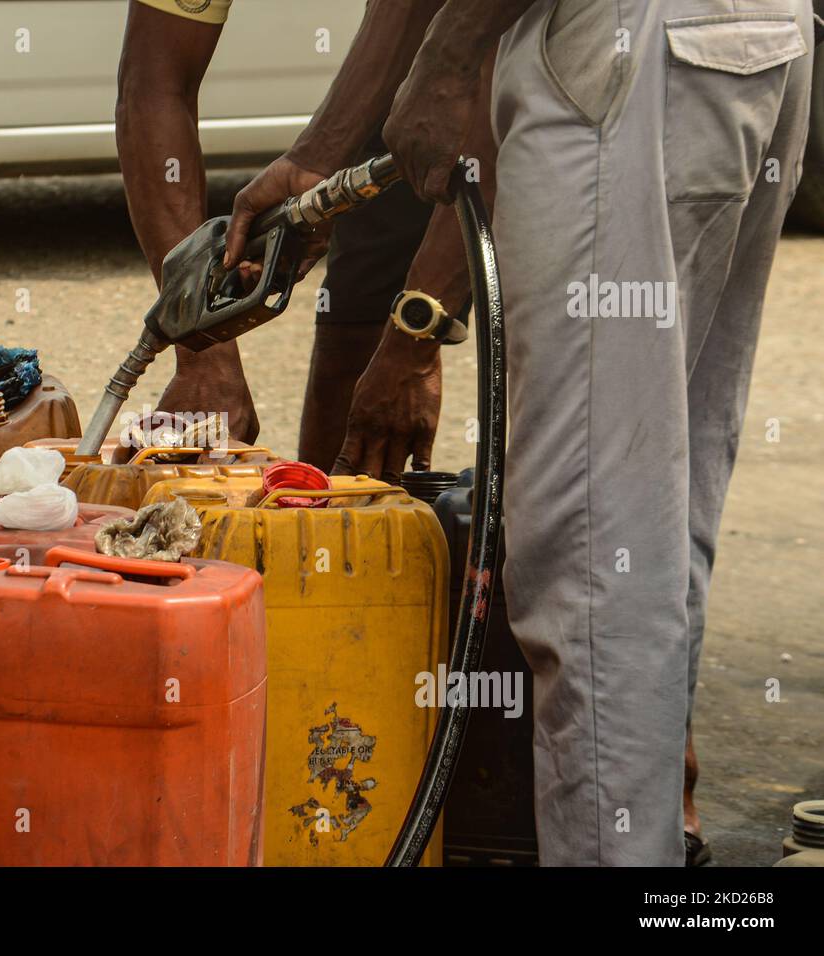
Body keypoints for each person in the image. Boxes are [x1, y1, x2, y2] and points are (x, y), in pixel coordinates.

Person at [226, 0, 816, 865]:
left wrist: (456, 49)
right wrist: (323, 153)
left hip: (624, 44)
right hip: (747, 36)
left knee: (590, 554)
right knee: (656, 512)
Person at [115, 0, 495, 474]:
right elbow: (153, 84)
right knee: (352, 341)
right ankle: (330, 529)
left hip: (540, 51)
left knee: (546, 378)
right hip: (418, 57)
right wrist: (202, 348)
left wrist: (415, 339)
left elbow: (493, 115)